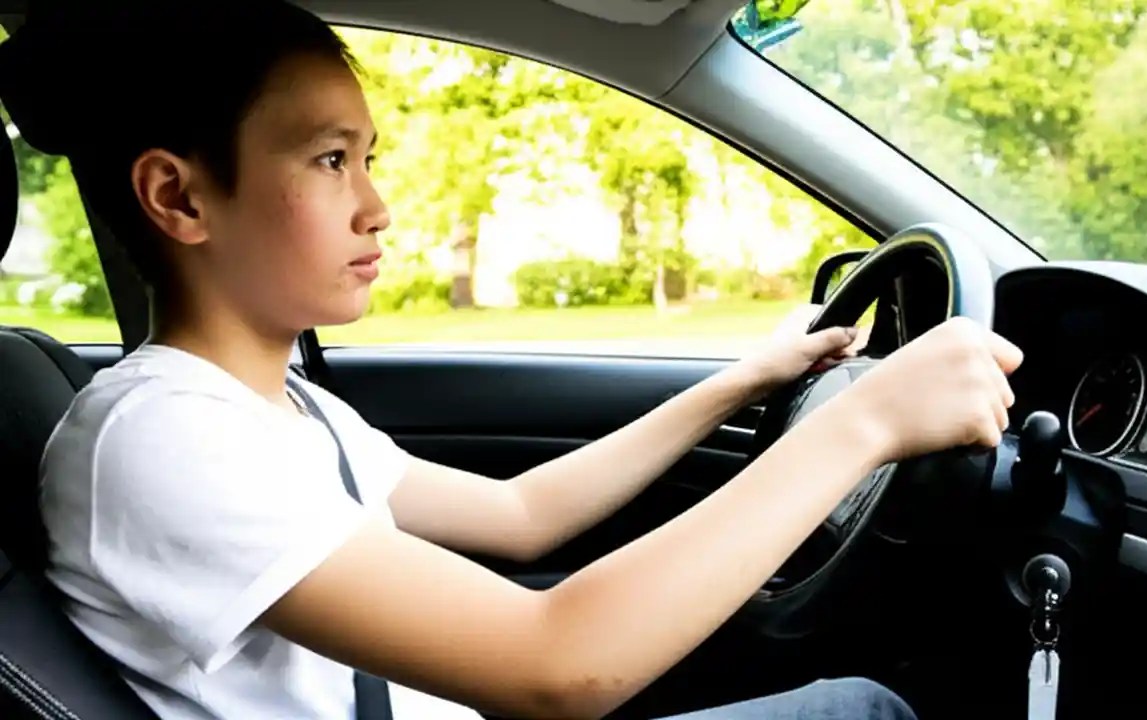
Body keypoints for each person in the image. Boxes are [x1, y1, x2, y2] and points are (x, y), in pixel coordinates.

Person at [0, 1, 1022, 718]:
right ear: (179, 198)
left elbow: (521, 513)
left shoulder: (277, 410)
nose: (377, 206)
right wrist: (864, 422)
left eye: (367, 159)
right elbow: (555, 665)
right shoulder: (159, 438)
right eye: (329, 159)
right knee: (866, 709)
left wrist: (743, 382)